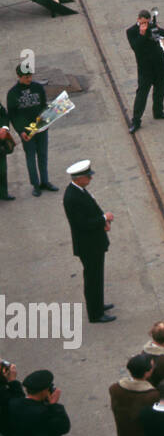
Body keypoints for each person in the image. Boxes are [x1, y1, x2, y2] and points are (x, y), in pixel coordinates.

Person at [63, 160, 114, 324]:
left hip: (94, 243)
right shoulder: (72, 197)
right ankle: (95, 314)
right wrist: (104, 218)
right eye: (87, 177)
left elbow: (93, 209)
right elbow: (82, 224)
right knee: (93, 279)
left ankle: (98, 305)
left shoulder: (80, 191)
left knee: (97, 277)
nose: (90, 179)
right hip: (89, 246)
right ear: (78, 178)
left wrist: (103, 222)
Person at [7, 63, 55, 195]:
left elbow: (44, 105)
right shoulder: (13, 93)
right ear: (19, 76)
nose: (29, 79)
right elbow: (13, 115)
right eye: (26, 77)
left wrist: (48, 119)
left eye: (30, 76)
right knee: (30, 157)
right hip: (27, 131)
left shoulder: (38, 88)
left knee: (43, 155)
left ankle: (45, 181)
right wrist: (21, 131)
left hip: (41, 128)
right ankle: (36, 185)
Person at [126, 8, 164, 134]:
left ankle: (158, 111)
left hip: (158, 65)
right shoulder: (131, 31)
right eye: (143, 23)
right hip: (145, 68)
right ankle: (136, 120)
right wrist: (142, 34)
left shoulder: (152, 27)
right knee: (142, 94)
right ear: (138, 20)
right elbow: (136, 47)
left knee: (160, 90)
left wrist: (158, 28)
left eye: (147, 23)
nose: (145, 26)